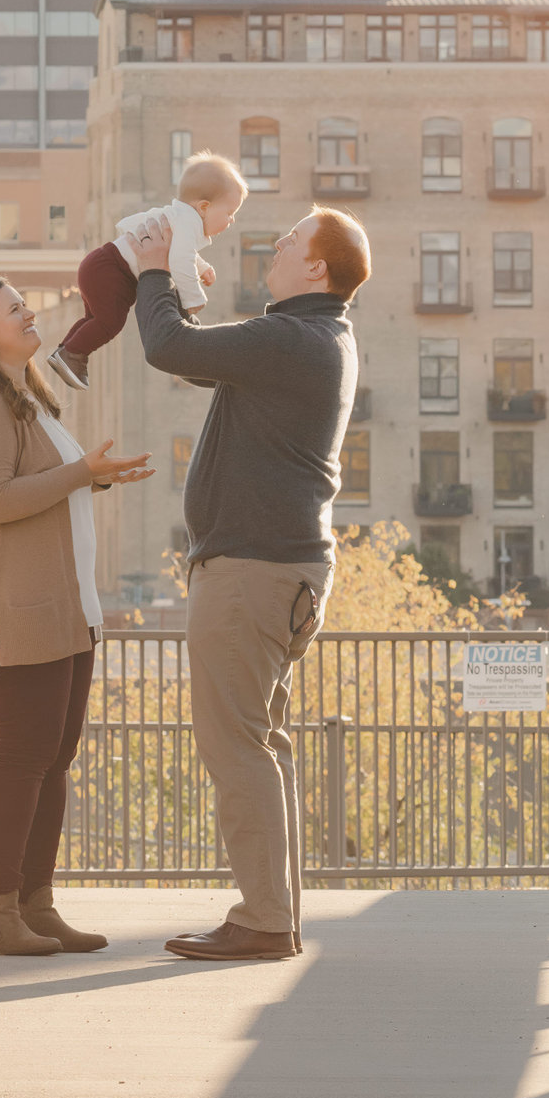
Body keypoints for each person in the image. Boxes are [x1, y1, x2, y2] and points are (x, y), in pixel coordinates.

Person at [131, 205, 369, 962]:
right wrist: (175, 284)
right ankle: (274, 914)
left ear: (316, 270)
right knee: (262, 746)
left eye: (291, 241)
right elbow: (202, 357)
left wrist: (150, 267)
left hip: (250, 573)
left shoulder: (295, 339)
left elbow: (167, 348)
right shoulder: (312, 340)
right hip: (280, 572)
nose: (276, 246)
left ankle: (265, 921)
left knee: (236, 749)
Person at [0, 275, 153, 956]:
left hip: (68, 606)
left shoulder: (27, 398)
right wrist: (77, 473)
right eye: (15, 309)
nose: (30, 314)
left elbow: (43, 487)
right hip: (20, 608)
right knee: (22, 756)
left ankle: (34, 902)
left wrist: (95, 474)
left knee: (52, 758)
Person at [45, 152, 248, 392]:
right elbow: (182, 260)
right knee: (108, 322)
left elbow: (182, 253)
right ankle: (72, 354)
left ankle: (66, 351)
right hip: (110, 271)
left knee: (94, 319)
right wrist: (193, 298)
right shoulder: (186, 223)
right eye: (230, 213)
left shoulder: (180, 220)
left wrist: (203, 267)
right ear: (204, 207)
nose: (232, 221)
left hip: (99, 265)